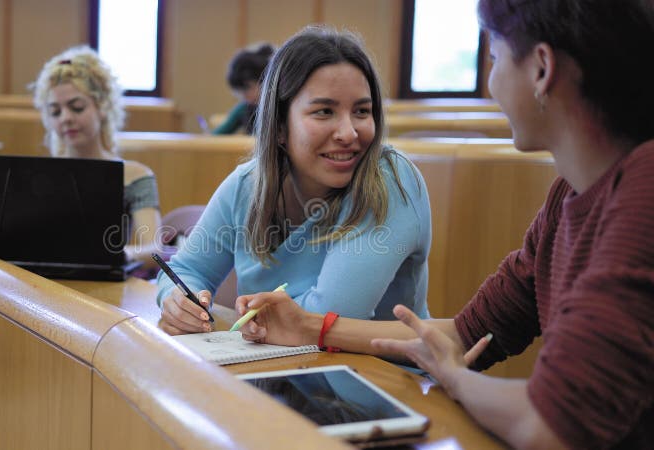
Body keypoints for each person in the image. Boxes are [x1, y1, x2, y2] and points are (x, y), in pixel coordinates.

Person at [235, 1, 654, 448]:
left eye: (495, 58)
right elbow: (469, 332)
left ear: (541, 69)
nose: (491, 81)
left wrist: (457, 380)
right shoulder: (567, 195)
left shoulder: (643, 193)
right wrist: (309, 327)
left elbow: (552, 423)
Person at [157, 26, 432, 335]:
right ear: (279, 126)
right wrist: (177, 299)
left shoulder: (389, 179)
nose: (348, 132)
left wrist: (263, 321)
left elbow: (332, 314)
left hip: (382, 367)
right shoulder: (248, 184)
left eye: (362, 111)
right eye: (324, 111)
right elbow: (185, 269)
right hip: (273, 363)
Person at [32, 45, 166, 273]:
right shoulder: (42, 175)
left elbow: (155, 249)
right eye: (55, 111)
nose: (65, 118)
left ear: (102, 106)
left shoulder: (134, 175)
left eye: (76, 107)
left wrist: (116, 254)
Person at [212, 43, 275, 135]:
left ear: (266, 81)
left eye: (248, 88)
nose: (245, 96)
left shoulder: (280, 107)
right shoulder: (243, 109)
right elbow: (216, 135)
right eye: (241, 92)